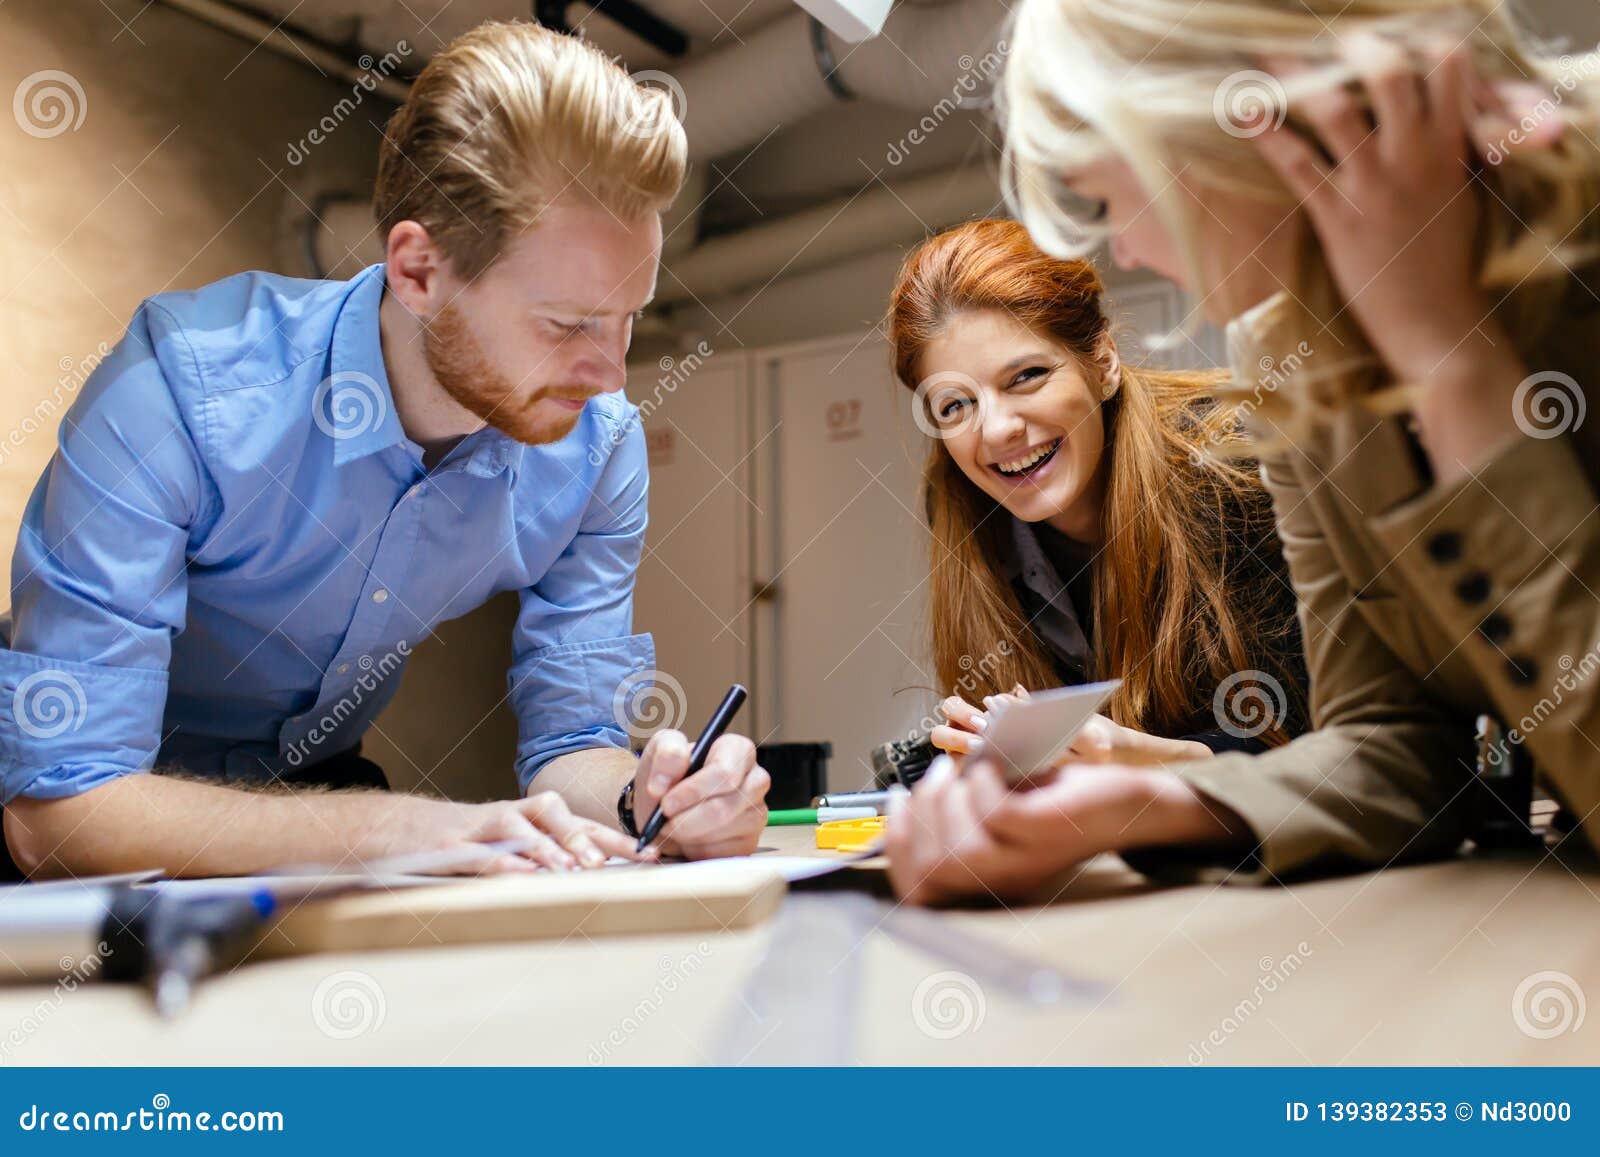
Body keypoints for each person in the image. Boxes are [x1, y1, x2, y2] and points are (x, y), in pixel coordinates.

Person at [0, 22, 769, 881]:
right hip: (99, 834)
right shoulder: (181, 389)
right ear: (418, 272)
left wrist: (648, 797)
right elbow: (56, 813)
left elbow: (572, 743)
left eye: (630, 317)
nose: (612, 373)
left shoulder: (598, 444)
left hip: (316, 804)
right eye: (568, 325)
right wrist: (396, 828)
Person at [888, 0, 1600, 904]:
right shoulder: (1285, 352)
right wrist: (1144, 805)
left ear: (1238, 117)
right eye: (955, 405)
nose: (1126, 245)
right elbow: (1395, 742)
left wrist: (1445, 355)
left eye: (1110, 196)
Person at [887, 218, 1307, 769]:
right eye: (955, 405)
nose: (996, 430)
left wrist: (1138, 759)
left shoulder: (1234, 460)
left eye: (1026, 376)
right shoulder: (958, 501)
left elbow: (1314, 740)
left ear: (1103, 363)